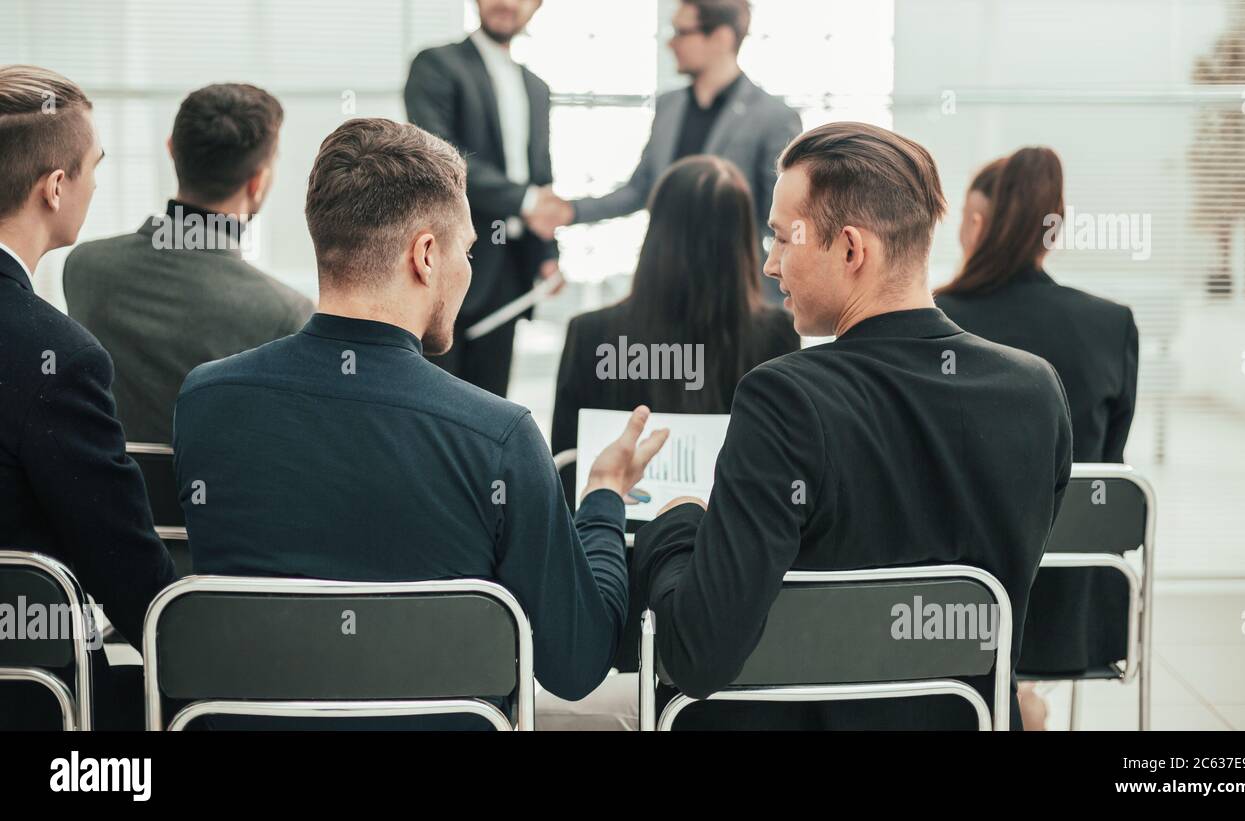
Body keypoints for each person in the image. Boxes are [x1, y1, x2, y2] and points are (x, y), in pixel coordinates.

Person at [173, 118, 667, 729]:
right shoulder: (499, 437)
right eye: (466, 252)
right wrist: (602, 500)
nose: (467, 272)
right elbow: (577, 663)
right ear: (426, 255)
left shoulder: (206, 400)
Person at [633, 122, 1074, 730]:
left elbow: (698, 656)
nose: (768, 264)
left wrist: (677, 523)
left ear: (850, 249)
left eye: (783, 239)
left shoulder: (783, 398)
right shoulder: (1037, 391)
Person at [0, 64, 177, 729]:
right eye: (92, 167)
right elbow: (131, 580)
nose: (97, 184)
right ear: (54, 187)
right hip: (33, 702)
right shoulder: (58, 359)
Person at [936, 148, 1140, 720]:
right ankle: (1021, 706)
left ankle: (1009, 705)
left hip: (948, 613)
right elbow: (1107, 472)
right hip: (1072, 617)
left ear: (977, 226)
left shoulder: (934, 322)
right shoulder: (1110, 325)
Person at [63, 83, 312, 444]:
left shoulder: (85, 268)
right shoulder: (286, 314)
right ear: (258, 183)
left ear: (171, 151)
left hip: (95, 494)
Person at [552, 155, 800, 507]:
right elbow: (784, 465)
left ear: (656, 232)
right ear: (742, 238)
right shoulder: (777, 334)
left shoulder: (590, 335)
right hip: (732, 542)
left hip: (615, 541)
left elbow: (566, 467)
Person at [532, 0, 802, 301]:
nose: (671, 43)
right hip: (663, 281)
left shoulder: (773, 117)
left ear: (721, 38)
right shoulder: (669, 106)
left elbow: (780, 216)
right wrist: (570, 210)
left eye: (681, 32)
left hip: (734, 292)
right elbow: (642, 189)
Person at [404, 0, 563, 397]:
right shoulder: (436, 65)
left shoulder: (536, 87)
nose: (507, 4)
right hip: (450, 257)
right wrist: (526, 202)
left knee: (491, 399)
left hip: (511, 265)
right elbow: (439, 157)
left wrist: (547, 253)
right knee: (437, 398)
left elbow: (539, 175)